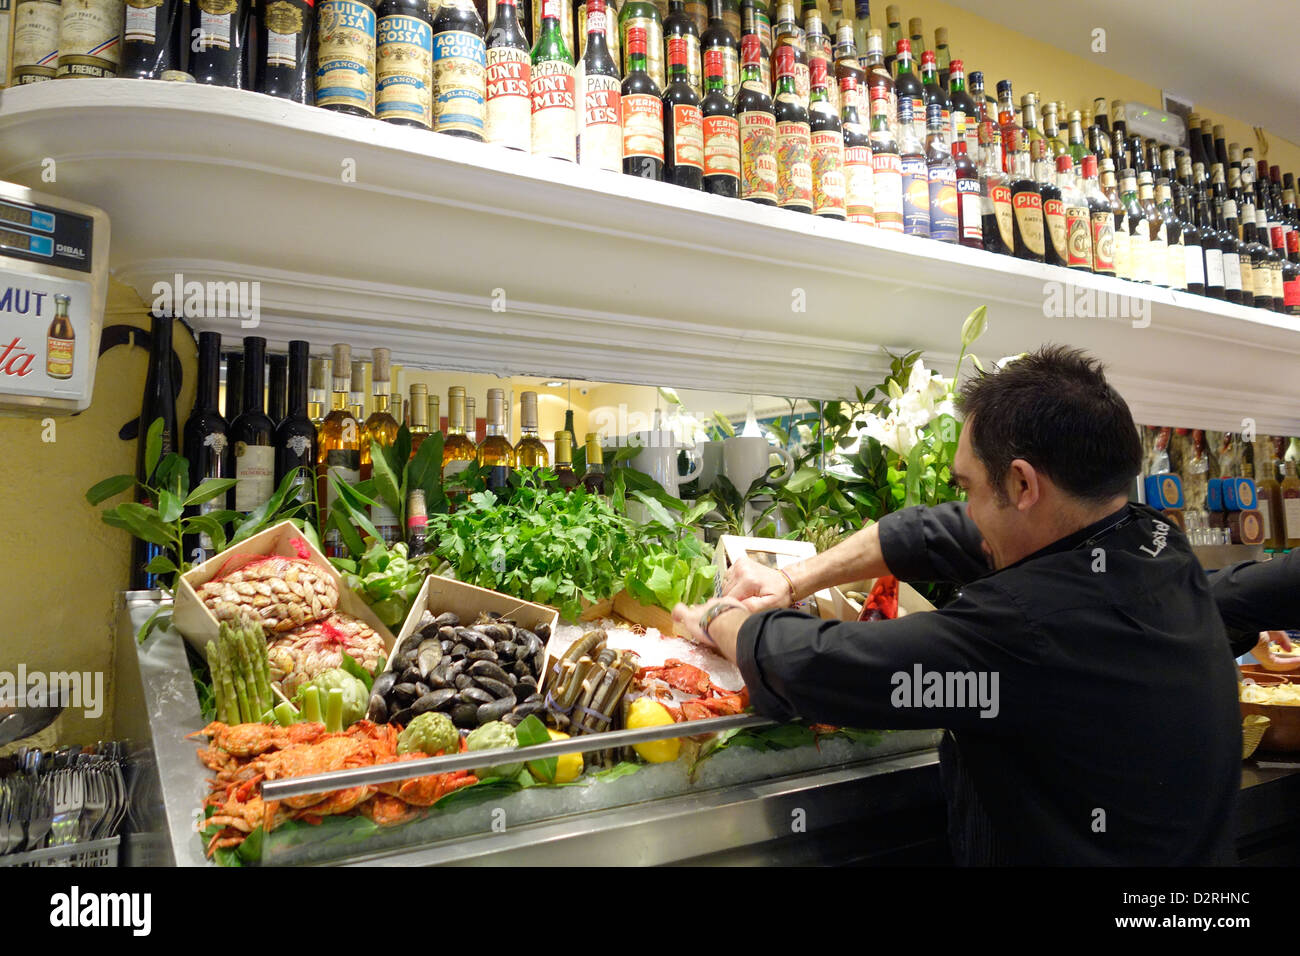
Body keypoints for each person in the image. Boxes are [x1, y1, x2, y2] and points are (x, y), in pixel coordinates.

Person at [672, 345, 1241, 866]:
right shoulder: (1151, 541)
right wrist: (793, 579)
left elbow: (819, 664)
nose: (964, 509)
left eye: (967, 487)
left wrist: (720, 618)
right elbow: (939, 532)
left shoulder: (1031, 624)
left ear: (1022, 485)